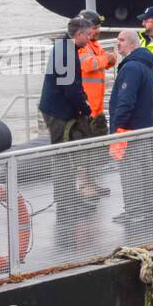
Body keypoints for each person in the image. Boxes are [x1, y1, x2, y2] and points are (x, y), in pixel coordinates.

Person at [39, 16, 105, 200]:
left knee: (66, 153)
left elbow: (71, 85)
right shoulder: (67, 52)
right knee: (62, 155)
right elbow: (70, 88)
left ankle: (69, 197)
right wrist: (84, 109)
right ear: (80, 34)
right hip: (57, 112)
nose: (90, 39)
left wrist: (81, 102)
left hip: (58, 108)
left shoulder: (64, 46)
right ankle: (65, 201)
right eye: (89, 35)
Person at [108, 29, 153, 228]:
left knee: (130, 171)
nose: (117, 43)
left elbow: (126, 101)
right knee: (145, 167)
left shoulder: (131, 68)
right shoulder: (146, 65)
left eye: (121, 40)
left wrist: (117, 127)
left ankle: (134, 211)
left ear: (131, 44)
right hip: (144, 125)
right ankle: (148, 207)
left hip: (128, 128)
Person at [77, 9, 116, 138]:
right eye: (95, 28)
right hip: (85, 109)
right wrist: (106, 59)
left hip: (96, 108)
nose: (98, 31)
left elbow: (101, 63)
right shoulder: (80, 45)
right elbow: (87, 64)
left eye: (99, 27)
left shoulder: (94, 45)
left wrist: (111, 59)